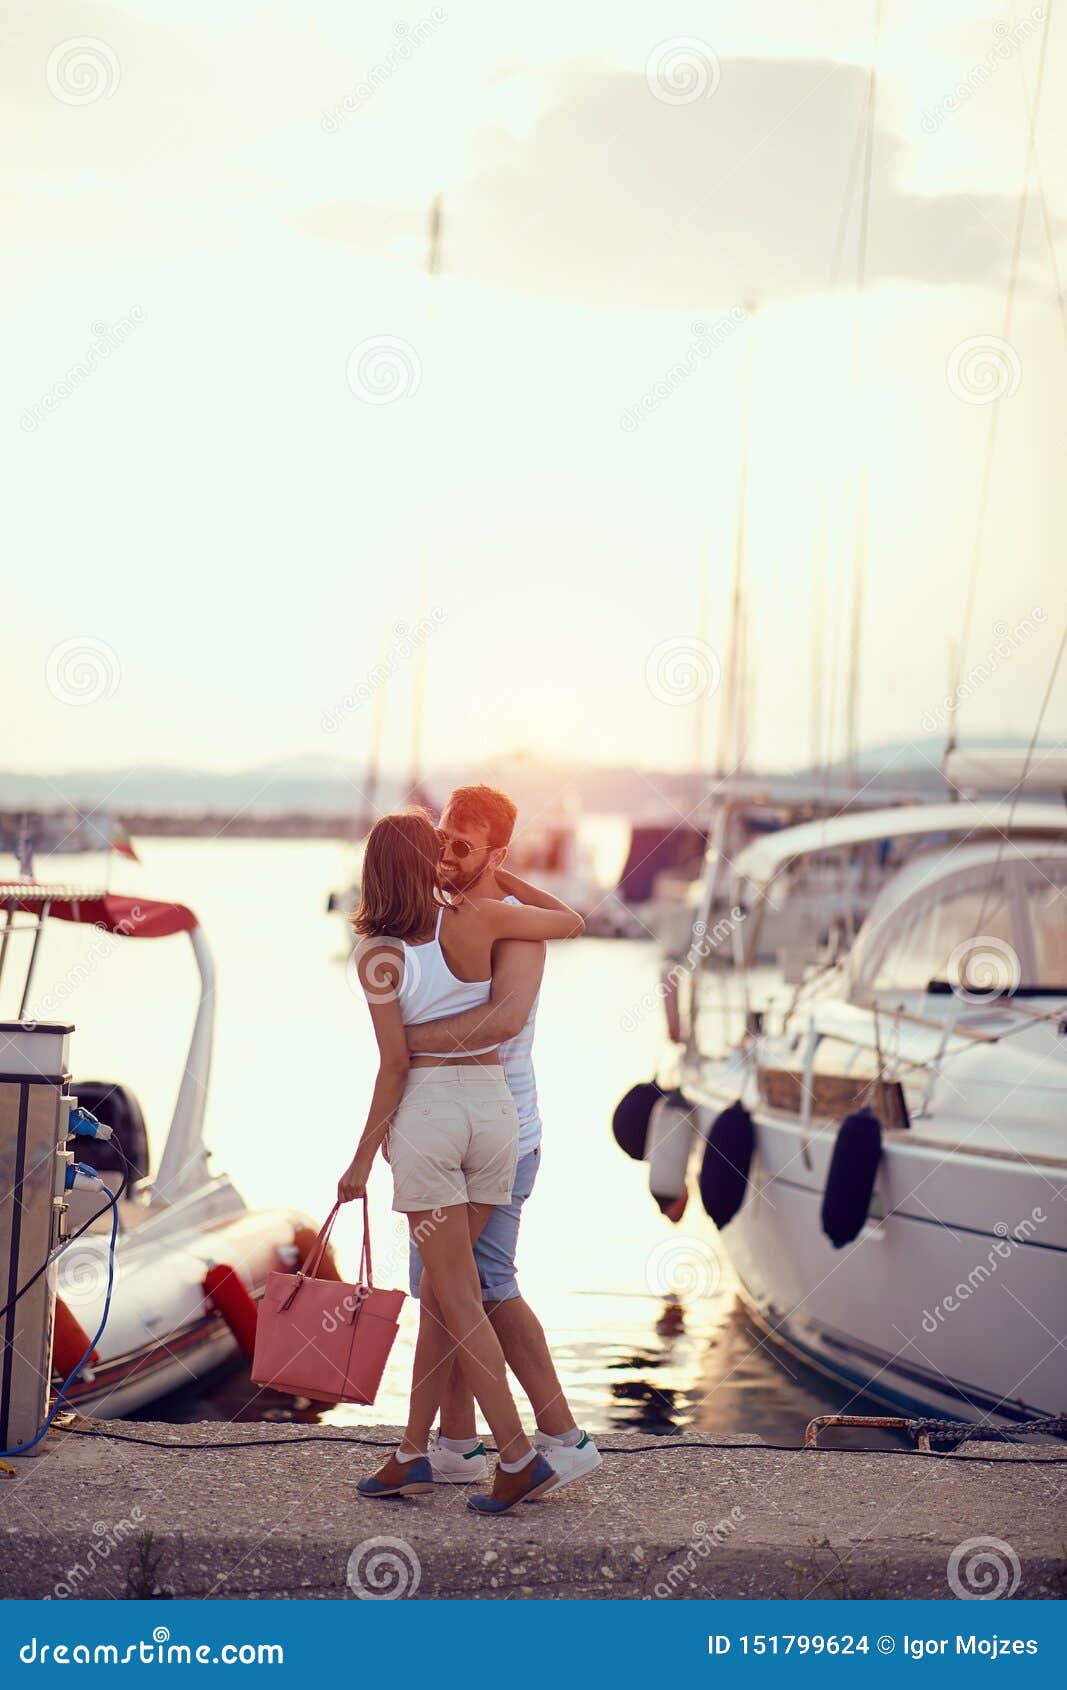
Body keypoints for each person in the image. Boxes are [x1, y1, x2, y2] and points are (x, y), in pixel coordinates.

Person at [336, 806, 583, 1515]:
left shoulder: (378, 954)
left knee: (459, 1296)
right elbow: (569, 920)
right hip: (495, 1115)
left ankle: (515, 1456)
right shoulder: (477, 920)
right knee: (445, 1296)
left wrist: (358, 1162)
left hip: (432, 1121)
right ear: (430, 860)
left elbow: (392, 1066)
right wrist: (500, 871)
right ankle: (412, 1453)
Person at [403, 784, 602, 1493]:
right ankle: (455, 1445)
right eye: (440, 838)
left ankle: (563, 1436)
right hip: (443, 1126)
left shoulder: (516, 924)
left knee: (484, 1285)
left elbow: (503, 1020)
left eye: (463, 843)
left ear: (495, 852)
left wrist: (404, 1046)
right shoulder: (441, 916)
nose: (445, 853)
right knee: (439, 1288)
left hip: (504, 1130)